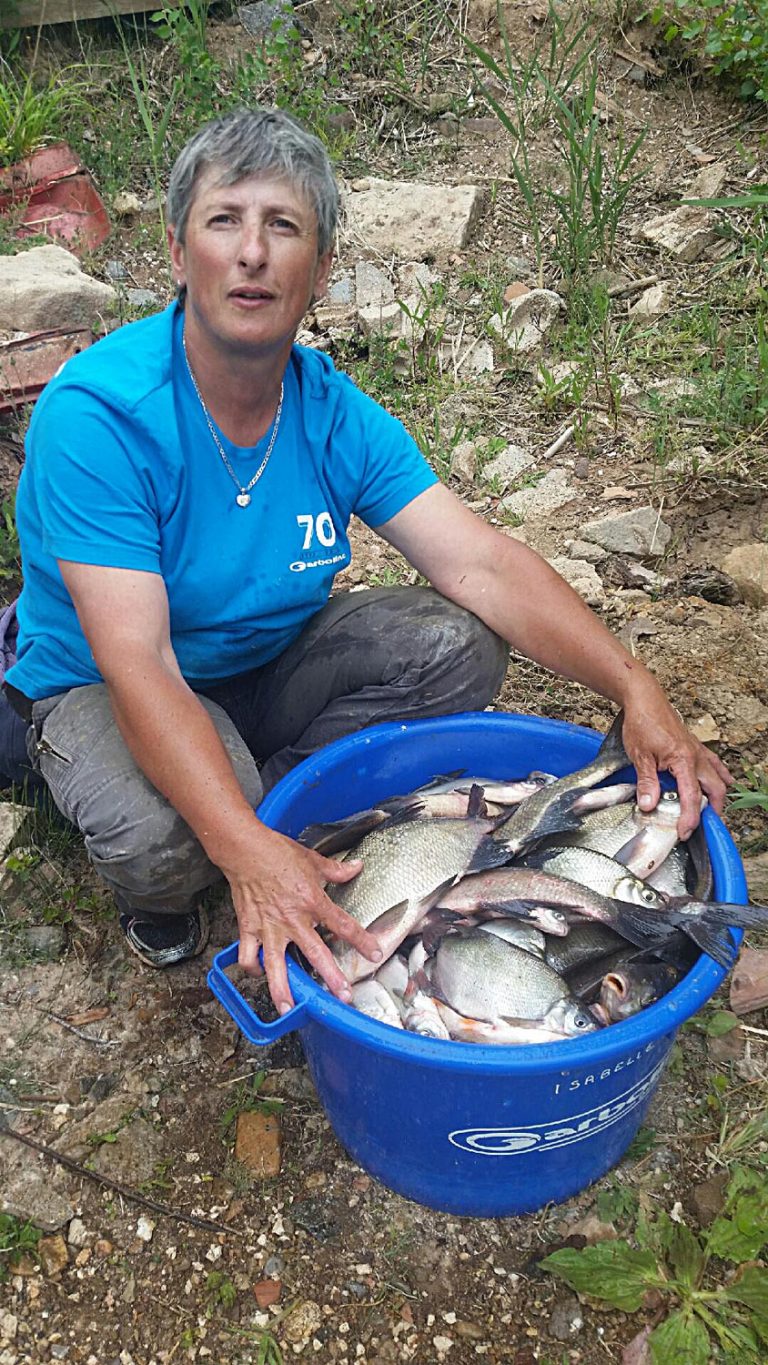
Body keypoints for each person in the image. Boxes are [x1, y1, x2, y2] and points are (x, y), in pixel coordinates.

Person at [2, 108, 731, 1013]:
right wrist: (242, 843)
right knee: (171, 843)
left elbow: (482, 566)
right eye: (225, 220)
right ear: (179, 251)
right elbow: (138, 661)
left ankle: (261, 800)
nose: (252, 253)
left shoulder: (332, 412)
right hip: (108, 678)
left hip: (261, 663)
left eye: (284, 226)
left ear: (322, 269)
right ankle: (175, 854)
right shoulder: (102, 414)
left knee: (456, 642)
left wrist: (634, 686)